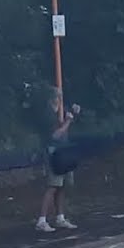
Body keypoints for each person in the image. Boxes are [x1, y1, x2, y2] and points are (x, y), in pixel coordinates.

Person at [36, 88, 81, 233]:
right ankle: (42, 220)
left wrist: (73, 113)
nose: (60, 99)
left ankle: (60, 218)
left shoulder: (61, 111)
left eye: (61, 96)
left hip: (63, 150)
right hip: (53, 152)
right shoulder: (47, 115)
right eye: (58, 97)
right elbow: (55, 135)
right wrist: (68, 121)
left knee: (62, 186)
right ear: (51, 98)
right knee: (53, 185)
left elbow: (67, 121)